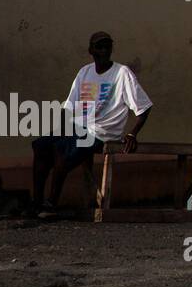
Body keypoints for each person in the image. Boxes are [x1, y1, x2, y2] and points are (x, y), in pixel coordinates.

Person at [31, 31, 152, 219]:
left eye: (107, 47)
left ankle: (51, 204)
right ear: (91, 51)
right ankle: (36, 203)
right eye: (99, 47)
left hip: (102, 131)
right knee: (41, 145)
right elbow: (69, 105)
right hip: (81, 127)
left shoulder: (121, 73)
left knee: (61, 150)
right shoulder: (85, 72)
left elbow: (143, 107)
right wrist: (64, 128)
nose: (104, 51)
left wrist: (132, 134)